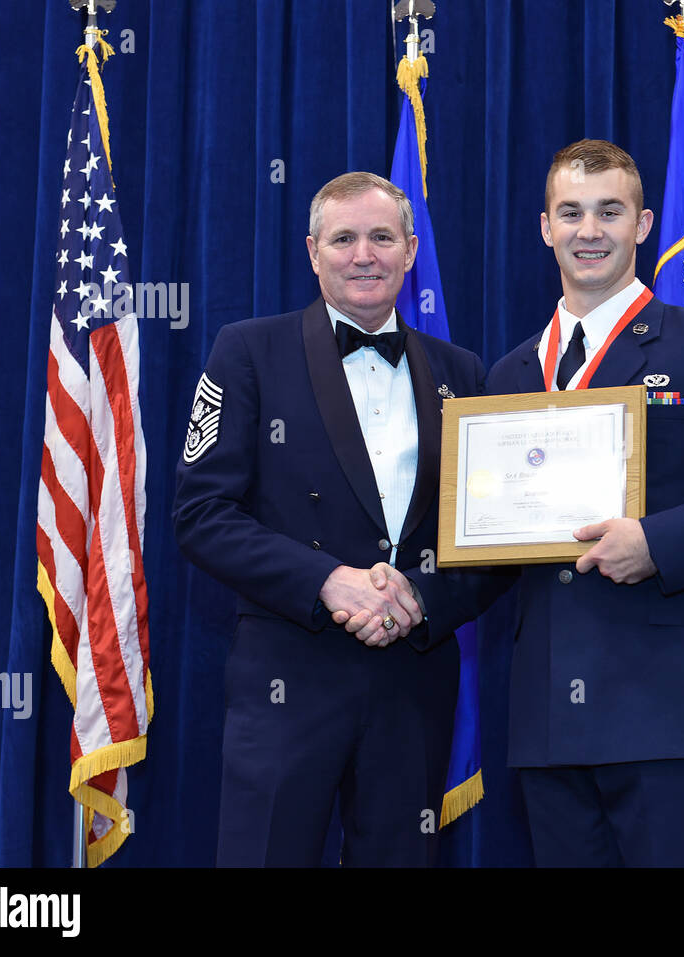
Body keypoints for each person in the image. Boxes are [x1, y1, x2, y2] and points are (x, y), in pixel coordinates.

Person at [400, 139, 684, 866]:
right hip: (549, 718)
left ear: (644, 224)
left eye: (609, 212)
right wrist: (405, 597)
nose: (589, 230)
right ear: (544, 227)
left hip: (667, 708)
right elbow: (492, 548)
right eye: (571, 213)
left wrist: (656, 542)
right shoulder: (508, 372)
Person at [172, 171, 486, 866]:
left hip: (414, 677)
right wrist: (326, 580)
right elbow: (200, 514)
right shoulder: (248, 351)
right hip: (289, 673)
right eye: (344, 238)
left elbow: (487, 537)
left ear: (411, 251)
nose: (363, 254)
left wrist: (422, 600)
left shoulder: (462, 371)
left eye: (382, 237)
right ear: (313, 252)